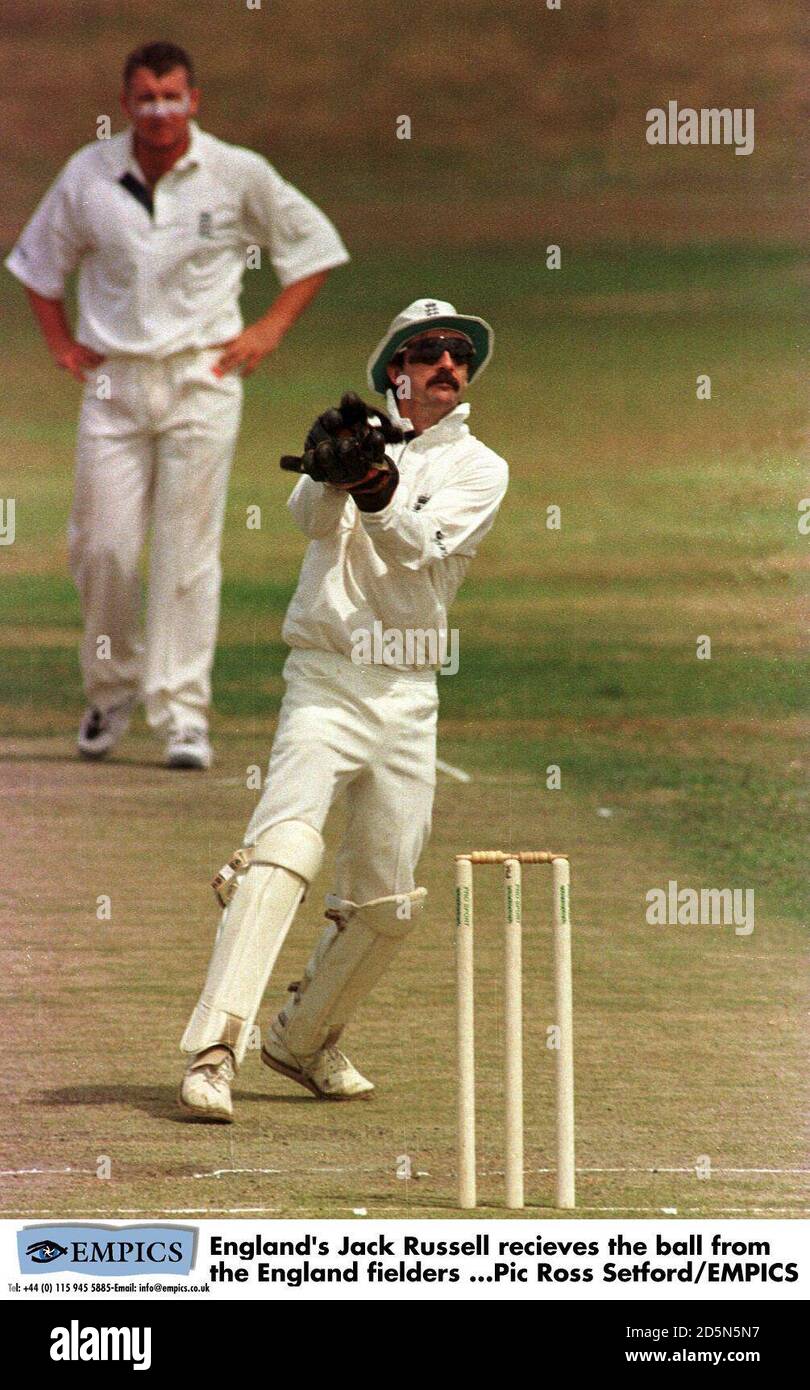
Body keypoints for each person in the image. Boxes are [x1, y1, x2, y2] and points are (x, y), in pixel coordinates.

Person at [179, 296, 508, 1120]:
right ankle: (216, 1051)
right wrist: (337, 470)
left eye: (460, 355)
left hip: (408, 691)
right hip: (326, 678)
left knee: (387, 901)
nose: (448, 365)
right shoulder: (359, 444)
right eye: (429, 351)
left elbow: (415, 549)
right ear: (396, 367)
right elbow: (309, 520)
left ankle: (304, 1037)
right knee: (285, 848)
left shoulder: (482, 468)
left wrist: (375, 482)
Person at [4, 41, 349, 769]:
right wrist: (62, 344)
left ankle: (183, 713)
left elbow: (313, 246)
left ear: (194, 100)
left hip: (203, 376)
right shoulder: (90, 173)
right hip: (114, 382)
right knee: (102, 548)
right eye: (145, 97)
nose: (159, 110)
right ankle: (109, 690)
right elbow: (38, 264)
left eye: (172, 96)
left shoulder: (234, 172)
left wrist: (269, 329)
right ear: (126, 104)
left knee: (187, 553)